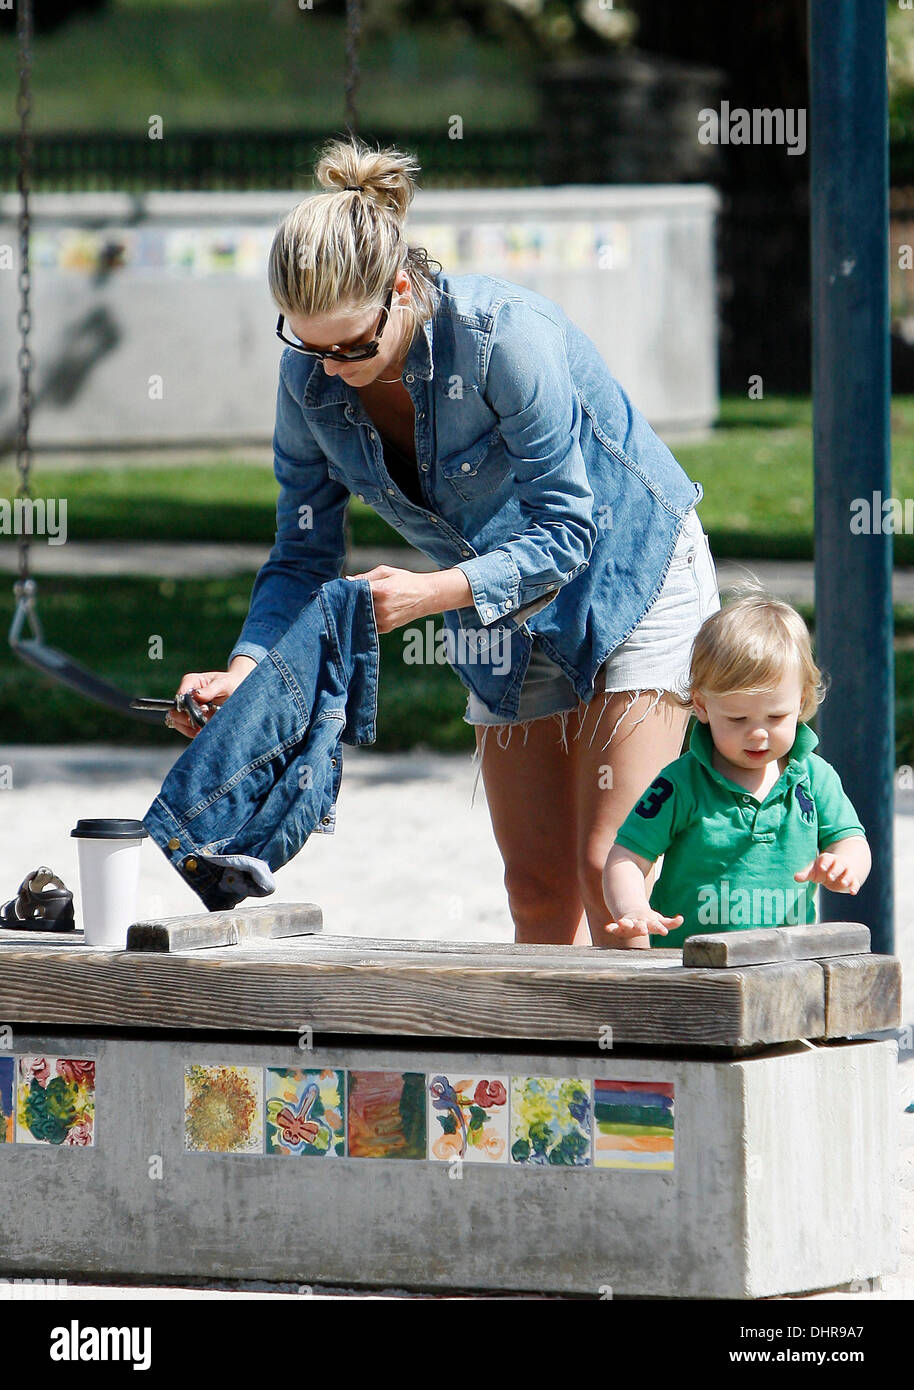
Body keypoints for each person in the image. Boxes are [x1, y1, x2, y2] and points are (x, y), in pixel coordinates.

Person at [169, 133, 719, 948]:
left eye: (353, 345)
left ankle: (631, 1078)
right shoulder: (310, 382)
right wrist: (245, 673)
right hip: (498, 601)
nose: (330, 370)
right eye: (306, 344)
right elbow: (301, 555)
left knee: (612, 876)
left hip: (631, 574)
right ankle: (559, 1077)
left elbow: (570, 529)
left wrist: (431, 594)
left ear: (400, 290)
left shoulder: (504, 338)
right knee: (534, 889)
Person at [602, 591, 871, 949]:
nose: (758, 733)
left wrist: (846, 865)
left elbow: (851, 841)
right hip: (690, 970)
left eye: (776, 717)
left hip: (786, 965)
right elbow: (626, 857)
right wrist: (633, 906)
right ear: (701, 706)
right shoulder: (680, 783)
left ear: (802, 701)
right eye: (737, 718)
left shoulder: (814, 778)